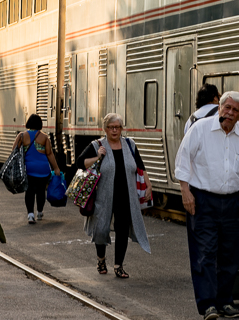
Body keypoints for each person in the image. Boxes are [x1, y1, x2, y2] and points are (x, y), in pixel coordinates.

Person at [175, 91, 239, 320]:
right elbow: (182, 161)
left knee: (230, 253)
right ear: (219, 107)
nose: (229, 113)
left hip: (233, 201)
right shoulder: (200, 129)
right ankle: (208, 304)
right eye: (226, 107)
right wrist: (185, 192)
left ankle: (225, 301)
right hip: (203, 199)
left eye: (235, 110)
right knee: (205, 253)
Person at [77, 113, 153, 278]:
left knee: (122, 229)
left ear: (121, 129)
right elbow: (80, 162)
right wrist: (98, 157)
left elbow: (140, 165)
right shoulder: (97, 145)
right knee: (101, 229)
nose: (114, 130)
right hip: (103, 196)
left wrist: (149, 185)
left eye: (117, 127)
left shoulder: (129, 144)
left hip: (126, 195)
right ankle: (101, 259)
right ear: (105, 129)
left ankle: (119, 265)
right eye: (111, 127)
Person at [13, 115, 61, 224]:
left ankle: (30, 215)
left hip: (29, 169)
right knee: (40, 191)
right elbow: (49, 154)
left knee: (29, 191)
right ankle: (39, 212)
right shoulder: (44, 137)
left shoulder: (22, 136)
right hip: (43, 170)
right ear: (40, 124)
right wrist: (56, 168)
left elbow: (14, 152)